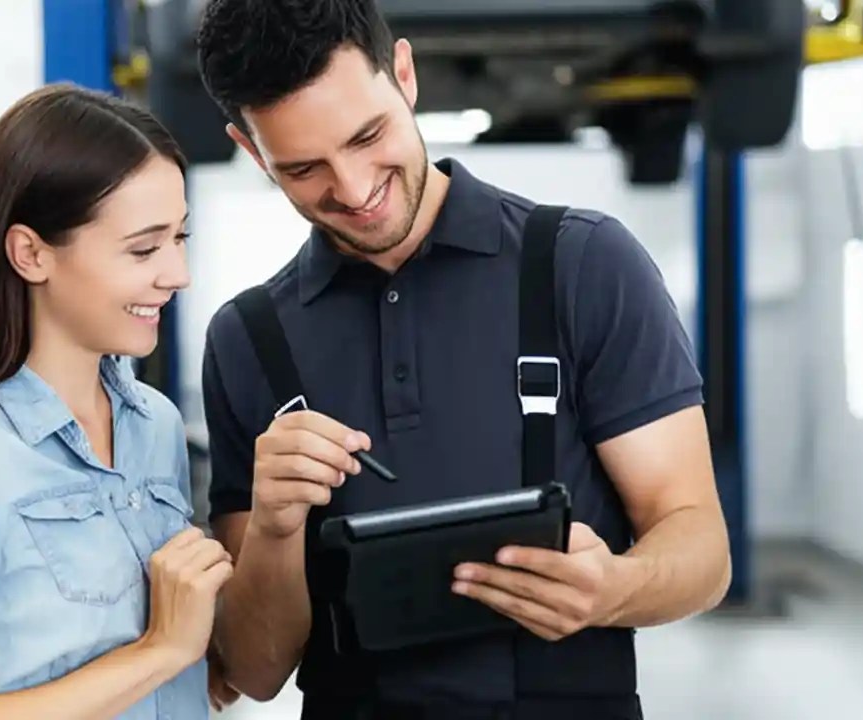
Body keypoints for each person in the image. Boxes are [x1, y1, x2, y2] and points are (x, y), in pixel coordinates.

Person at [194, 1, 732, 718]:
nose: (354, 191)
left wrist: (617, 587)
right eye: (303, 168)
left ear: (405, 75)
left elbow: (701, 545)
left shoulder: (582, 267)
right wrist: (272, 526)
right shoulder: (247, 341)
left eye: (367, 136)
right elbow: (256, 672)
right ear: (253, 152)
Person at [0, 83, 235, 720]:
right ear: (31, 253)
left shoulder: (155, 426)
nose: (176, 273)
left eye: (179, 238)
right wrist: (162, 650)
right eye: (144, 248)